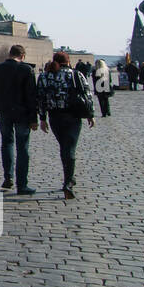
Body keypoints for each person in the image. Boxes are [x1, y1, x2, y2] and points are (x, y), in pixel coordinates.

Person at [37, 51, 95, 200]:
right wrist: (90, 115)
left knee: (64, 147)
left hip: (54, 117)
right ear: (68, 61)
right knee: (69, 149)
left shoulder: (44, 76)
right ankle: (68, 182)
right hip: (73, 116)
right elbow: (87, 94)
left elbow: (41, 99)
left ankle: (70, 177)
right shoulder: (76, 75)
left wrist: (42, 118)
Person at [0, 44, 38, 194]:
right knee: (22, 147)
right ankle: (22, 184)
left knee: (6, 143)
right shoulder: (27, 70)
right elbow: (32, 96)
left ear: (9, 54)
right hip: (22, 113)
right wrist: (34, 119)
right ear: (22, 56)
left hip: (4, 112)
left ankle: (8, 178)